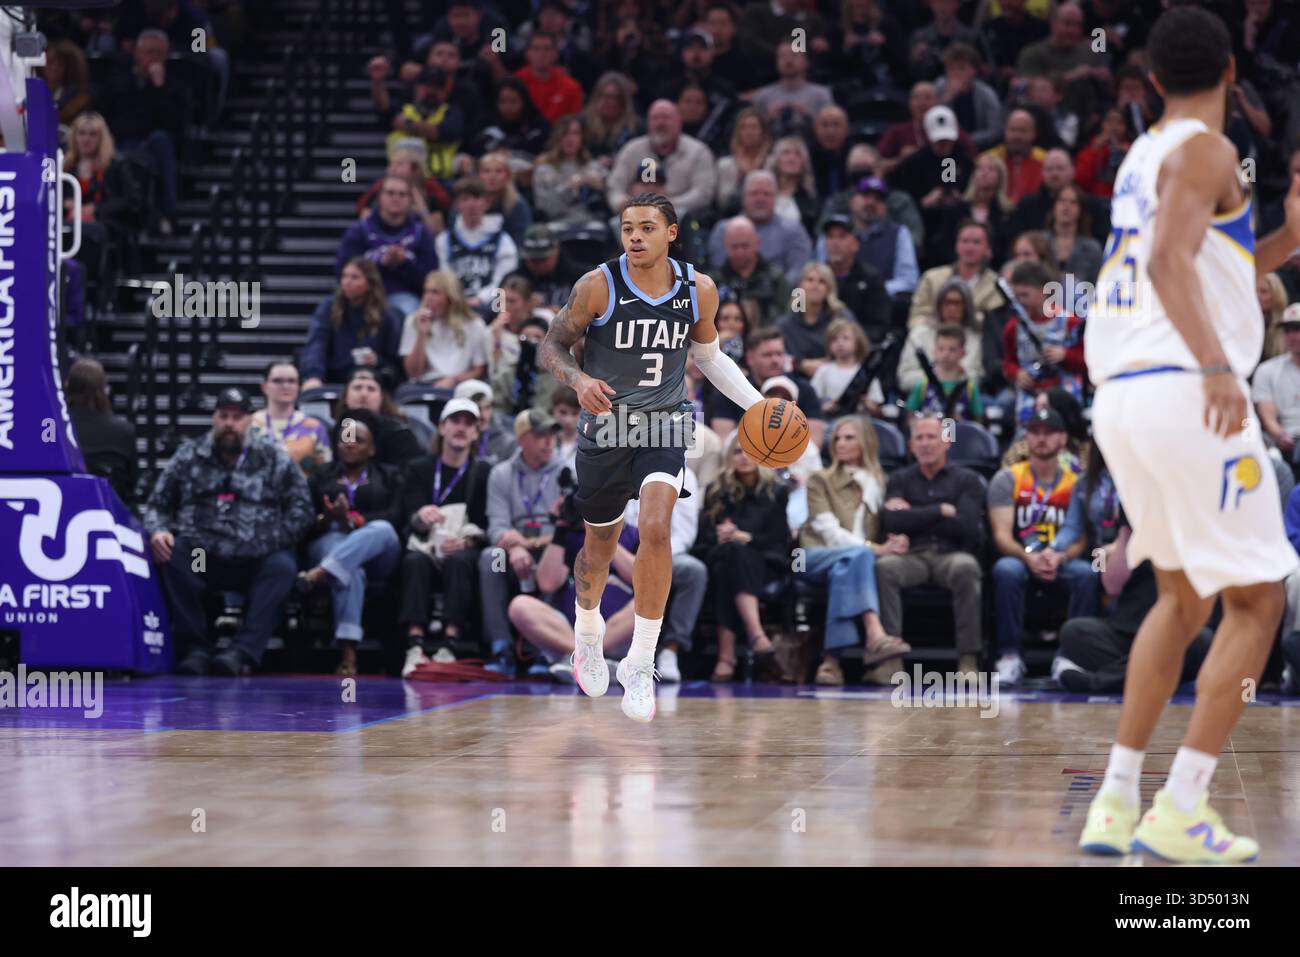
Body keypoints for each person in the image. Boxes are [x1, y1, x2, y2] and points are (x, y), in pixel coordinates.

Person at [1079, 6, 1300, 863]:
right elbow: (1173, 260)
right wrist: (1216, 366)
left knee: (1184, 598)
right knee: (1260, 597)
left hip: (1126, 399)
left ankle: (1115, 799)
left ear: (1153, 82)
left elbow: (1204, 262)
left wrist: (1286, 236)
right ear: (1234, 74)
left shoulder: (1142, 155)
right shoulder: (1206, 150)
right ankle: (1182, 805)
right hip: (1185, 390)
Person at [538, 192, 773, 721]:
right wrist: (576, 379)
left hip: (666, 422)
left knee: (657, 528)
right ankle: (588, 635)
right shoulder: (597, 285)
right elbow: (550, 346)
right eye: (627, 229)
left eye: (646, 227)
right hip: (606, 426)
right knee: (599, 547)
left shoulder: (699, 289)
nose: (635, 237)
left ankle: (641, 661)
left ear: (671, 233)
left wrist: (759, 406)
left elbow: (709, 359)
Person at [143, 388, 312, 676]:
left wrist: (270, 539)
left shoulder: (274, 457)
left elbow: (302, 510)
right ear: (214, 419)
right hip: (204, 555)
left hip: (257, 556)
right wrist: (158, 531)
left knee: (282, 566)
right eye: (223, 416)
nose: (230, 424)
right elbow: (157, 505)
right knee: (176, 553)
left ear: (250, 421)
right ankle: (196, 647)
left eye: (237, 417)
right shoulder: (190, 455)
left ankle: (242, 651)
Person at [799, 417, 912, 685]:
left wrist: (898, 530)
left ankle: (831, 662)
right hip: (813, 556)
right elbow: (829, 533)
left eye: (849, 438)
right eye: (837, 438)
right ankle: (874, 633)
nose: (840, 443)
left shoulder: (880, 484)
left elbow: (887, 525)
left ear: (866, 442)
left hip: (854, 563)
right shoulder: (819, 479)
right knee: (856, 557)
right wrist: (875, 549)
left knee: (845, 570)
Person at [988, 406, 1095, 685]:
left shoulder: (1076, 481)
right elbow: (1001, 536)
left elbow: (1082, 540)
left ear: (1062, 439)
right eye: (1035, 432)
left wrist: (1059, 557)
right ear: (1026, 438)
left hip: (1062, 560)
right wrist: (1029, 557)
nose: (1041, 439)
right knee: (1005, 569)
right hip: (1022, 558)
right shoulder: (1008, 477)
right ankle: (1010, 656)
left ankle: (1071, 657)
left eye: (1049, 433)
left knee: (1088, 573)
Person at [874, 414, 985, 674]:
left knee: (967, 568)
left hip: (952, 554)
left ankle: (968, 660)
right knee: (885, 567)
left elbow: (967, 528)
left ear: (947, 441)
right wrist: (940, 510)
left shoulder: (967, 480)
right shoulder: (899, 479)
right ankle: (891, 659)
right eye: (919, 438)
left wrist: (912, 514)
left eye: (931, 437)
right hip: (912, 555)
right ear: (911, 446)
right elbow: (891, 522)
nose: (925, 444)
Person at [299, 410, 404, 676]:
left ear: (372, 449)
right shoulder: (321, 476)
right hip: (330, 539)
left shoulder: (390, 475)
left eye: (358, 439)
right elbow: (302, 522)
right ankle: (348, 653)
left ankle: (322, 572)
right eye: (345, 438)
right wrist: (327, 518)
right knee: (349, 568)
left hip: (379, 554)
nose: (350, 443)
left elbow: (397, 516)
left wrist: (355, 520)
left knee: (382, 528)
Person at [397, 397, 492, 674]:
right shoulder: (419, 468)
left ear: (476, 431)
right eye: (455, 421)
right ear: (441, 427)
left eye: (468, 423)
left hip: (462, 544)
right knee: (414, 561)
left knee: (460, 561)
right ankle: (414, 644)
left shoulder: (483, 472)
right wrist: (420, 516)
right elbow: (407, 518)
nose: (461, 428)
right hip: (426, 544)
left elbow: (486, 523)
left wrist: (467, 540)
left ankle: (450, 643)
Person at [478, 408, 568, 678]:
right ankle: (501, 646)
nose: (548, 441)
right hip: (512, 550)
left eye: (552, 434)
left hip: (552, 545)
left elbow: (573, 527)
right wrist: (514, 547)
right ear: (521, 440)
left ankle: (547, 648)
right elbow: (497, 526)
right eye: (540, 435)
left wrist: (531, 543)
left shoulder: (568, 471)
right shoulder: (501, 474)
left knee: (563, 555)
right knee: (489, 558)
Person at [696, 434, 790, 681]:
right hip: (724, 559)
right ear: (729, 457)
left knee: (733, 559)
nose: (744, 457)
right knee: (729, 559)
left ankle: (726, 656)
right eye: (738, 451)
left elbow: (781, 542)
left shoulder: (776, 491)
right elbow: (703, 542)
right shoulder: (716, 491)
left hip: (765, 562)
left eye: (751, 451)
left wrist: (743, 537)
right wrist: (722, 537)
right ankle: (756, 636)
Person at [335, 176, 439, 318]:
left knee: (408, 311)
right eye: (390, 193)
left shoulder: (421, 234)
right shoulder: (359, 231)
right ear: (380, 197)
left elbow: (430, 278)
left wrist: (403, 264)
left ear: (410, 200)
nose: (396, 198)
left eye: (402, 194)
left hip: (406, 296)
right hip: (363, 295)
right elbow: (342, 270)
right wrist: (382, 262)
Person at [301, 257, 404, 389]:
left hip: (374, 380)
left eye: (354, 277)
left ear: (369, 283)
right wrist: (313, 376)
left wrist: (378, 361)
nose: (347, 282)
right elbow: (317, 343)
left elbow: (395, 360)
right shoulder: (329, 308)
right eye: (344, 276)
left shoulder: (388, 314)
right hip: (334, 378)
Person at [435, 178, 520, 313]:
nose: (471, 204)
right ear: (457, 204)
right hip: (454, 305)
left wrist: (480, 298)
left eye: (476, 198)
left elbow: (504, 281)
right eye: (465, 199)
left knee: (503, 301)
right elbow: (445, 279)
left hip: (491, 305)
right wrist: (460, 300)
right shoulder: (444, 240)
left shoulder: (503, 241)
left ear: (487, 202)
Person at [65, 357, 137, 506]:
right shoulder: (124, 431)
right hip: (111, 510)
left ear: (67, 386)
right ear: (103, 390)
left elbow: (48, 460)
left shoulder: (51, 425)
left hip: (65, 504)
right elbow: (132, 483)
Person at [399, 269, 489, 387]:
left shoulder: (475, 325)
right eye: (426, 291)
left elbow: (479, 370)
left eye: (435, 292)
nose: (428, 298)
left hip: (460, 384)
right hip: (424, 385)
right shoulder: (413, 321)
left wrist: (454, 380)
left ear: (451, 297)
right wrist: (421, 335)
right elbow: (413, 373)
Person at [898, 278, 984, 396]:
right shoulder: (918, 334)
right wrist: (940, 378)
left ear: (967, 307)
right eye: (947, 302)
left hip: (964, 398)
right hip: (922, 398)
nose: (952, 309)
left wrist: (951, 380)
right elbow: (904, 378)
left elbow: (977, 377)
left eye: (957, 303)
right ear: (938, 305)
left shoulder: (976, 336)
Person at [250, 361, 331, 471]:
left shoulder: (314, 427)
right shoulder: (250, 424)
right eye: (278, 381)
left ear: (299, 386)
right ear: (264, 386)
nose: (285, 386)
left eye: (291, 381)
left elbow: (325, 470)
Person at [334, 368, 423, 467]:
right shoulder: (333, 433)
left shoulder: (400, 434)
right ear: (345, 396)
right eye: (357, 388)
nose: (364, 394)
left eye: (371, 389)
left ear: (382, 398)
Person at [904, 323, 985, 421]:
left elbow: (978, 424)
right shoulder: (923, 385)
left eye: (952, 349)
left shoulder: (969, 388)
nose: (946, 354)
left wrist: (961, 422)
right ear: (934, 351)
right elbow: (910, 419)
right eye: (941, 349)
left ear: (963, 353)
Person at [1252, 306, 1300, 467]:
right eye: (1288, 330)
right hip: (1287, 443)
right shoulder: (1267, 371)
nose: (1292, 336)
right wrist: (1280, 436)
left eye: (1298, 329)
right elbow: (1268, 418)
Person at [810, 318, 884, 417]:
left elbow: (876, 406)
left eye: (845, 338)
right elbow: (812, 399)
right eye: (834, 339)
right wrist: (823, 406)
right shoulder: (824, 370)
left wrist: (868, 404)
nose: (840, 343)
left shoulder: (866, 372)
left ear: (857, 343)